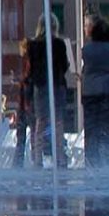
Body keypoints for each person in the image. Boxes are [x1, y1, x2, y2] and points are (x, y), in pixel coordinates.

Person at [18, 15, 70, 167]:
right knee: (58, 123)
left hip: (40, 87)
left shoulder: (33, 45)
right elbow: (64, 66)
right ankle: (59, 158)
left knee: (40, 122)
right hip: (58, 85)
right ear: (55, 26)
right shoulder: (60, 44)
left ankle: (37, 159)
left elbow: (31, 68)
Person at [78, 17, 109, 167]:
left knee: (92, 130)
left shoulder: (86, 50)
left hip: (91, 93)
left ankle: (92, 162)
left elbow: (85, 69)